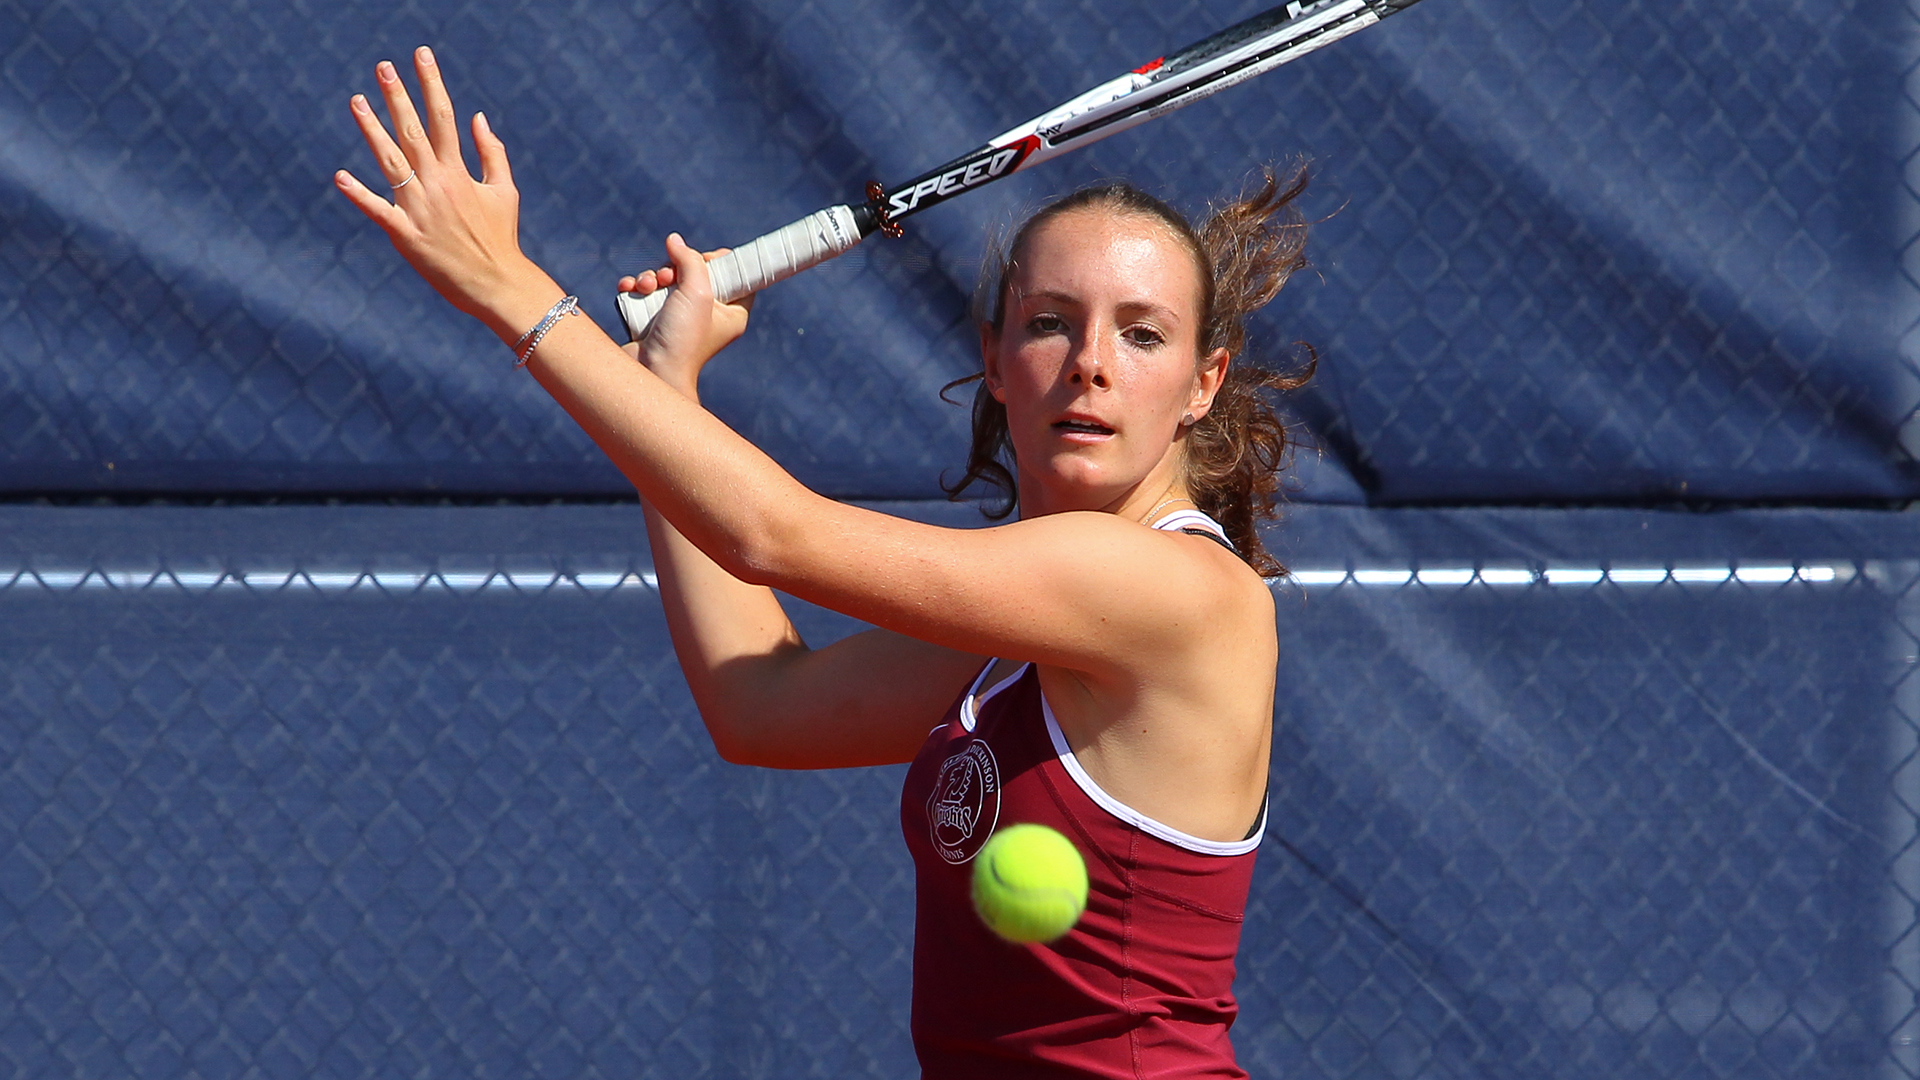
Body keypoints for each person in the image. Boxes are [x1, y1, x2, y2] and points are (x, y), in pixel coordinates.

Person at [336, 48, 1311, 1080]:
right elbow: (761, 703)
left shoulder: (1173, 591)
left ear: (1204, 382)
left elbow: (775, 535)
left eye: (1143, 334)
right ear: (994, 357)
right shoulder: (1022, 640)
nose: (1093, 362)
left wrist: (507, 287)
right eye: (1050, 323)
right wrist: (666, 382)